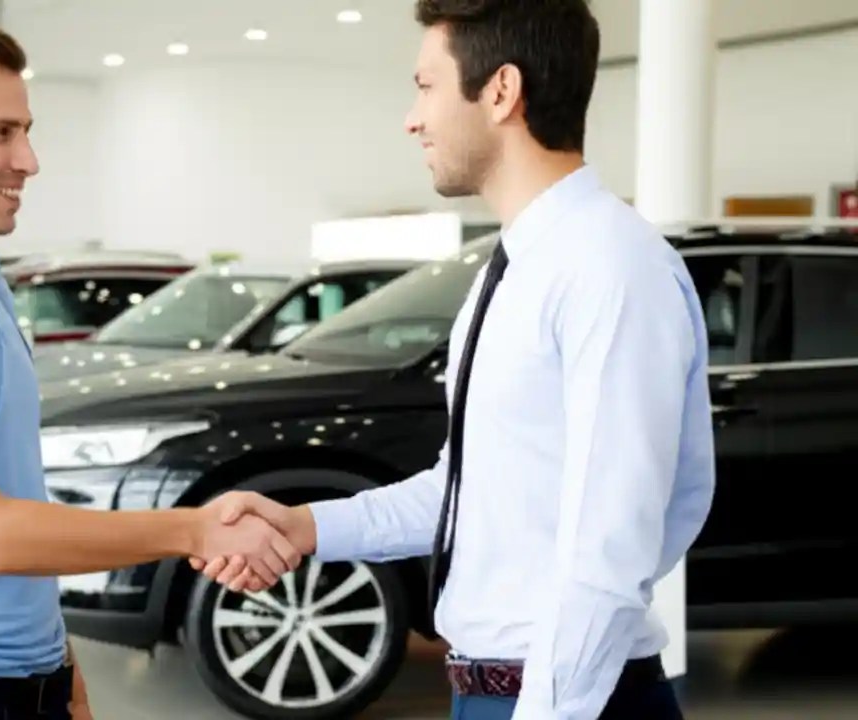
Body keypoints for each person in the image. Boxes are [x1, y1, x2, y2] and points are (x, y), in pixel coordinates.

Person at [193, 1, 715, 718]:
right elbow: (472, 489)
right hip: (497, 689)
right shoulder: (516, 266)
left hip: (570, 698)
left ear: (501, 91)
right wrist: (308, 527)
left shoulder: (609, 266)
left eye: (426, 85)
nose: (412, 118)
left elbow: (612, 542)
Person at [0, 20, 301, 720]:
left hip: (27, 687)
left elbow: (14, 496)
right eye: (1, 133)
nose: (29, 160)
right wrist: (193, 530)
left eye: (27, 131)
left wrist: (59, 670)